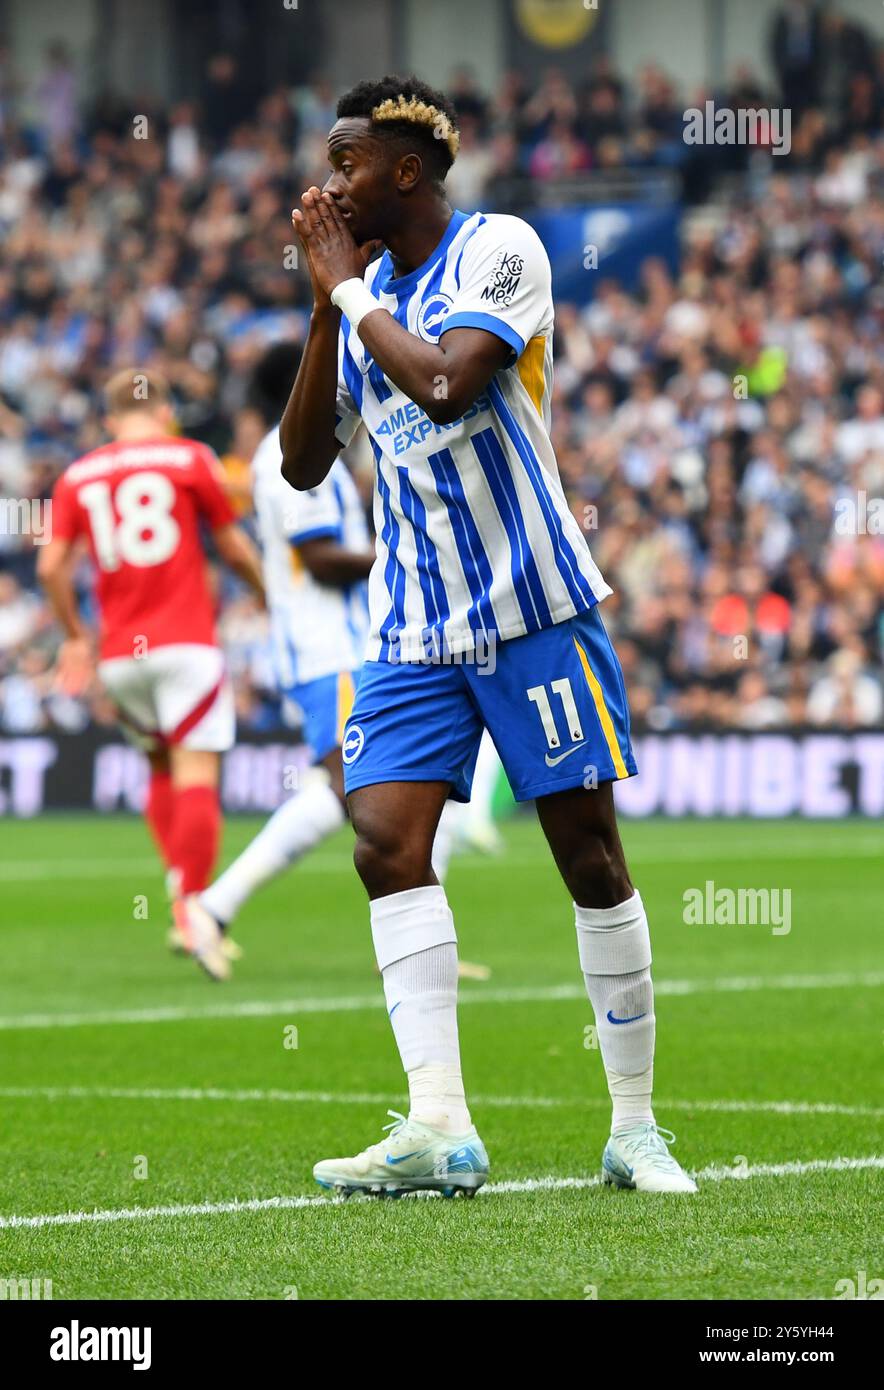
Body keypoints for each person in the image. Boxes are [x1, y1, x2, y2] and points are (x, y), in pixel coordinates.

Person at [281, 75, 696, 1197]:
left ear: (405, 170)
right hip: (413, 622)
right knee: (382, 843)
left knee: (588, 856)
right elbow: (304, 463)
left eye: (347, 161)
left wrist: (350, 294)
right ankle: (439, 1126)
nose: (329, 183)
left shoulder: (497, 251)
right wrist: (327, 307)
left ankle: (634, 1127)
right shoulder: (356, 292)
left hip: (530, 604)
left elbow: (451, 385)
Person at [184, 343, 494, 978]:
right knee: (364, 791)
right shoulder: (288, 457)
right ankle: (214, 907)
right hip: (333, 650)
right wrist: (406, 554)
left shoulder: (289, 452)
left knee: (395, 784)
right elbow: (322, 559)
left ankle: (426, 940)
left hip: (338, 647)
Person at [37, 368, 265, 980]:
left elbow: (51, 566)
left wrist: (76, 638)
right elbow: (235, 548)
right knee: (196, 772)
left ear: (109, 421)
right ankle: (195, 909)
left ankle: (178, 896)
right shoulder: (190, 458)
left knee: (160, 767)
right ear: (164, 412)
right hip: (186, 643)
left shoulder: (78, 475)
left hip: (120, 656)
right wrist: (266, 595)